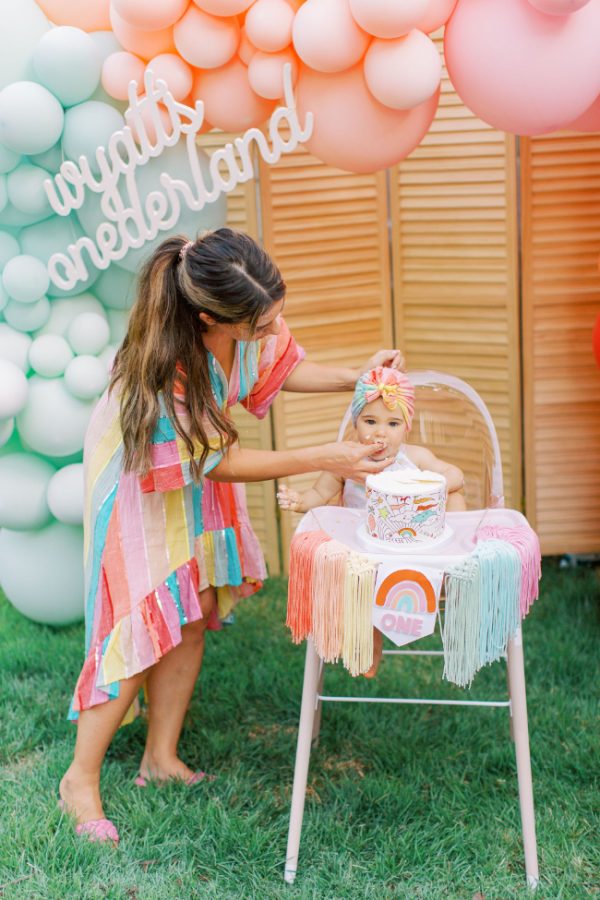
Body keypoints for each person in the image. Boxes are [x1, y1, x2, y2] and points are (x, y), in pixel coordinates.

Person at [59, 228, 404, 844]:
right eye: (261, 323)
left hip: (197, 461)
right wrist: (326, 455)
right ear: (209, 317)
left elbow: (286, 365)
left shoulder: (245, 319)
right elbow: (214, 463)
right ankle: (79, 779)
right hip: (138, 480)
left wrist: (358, 377)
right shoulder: (166, 368)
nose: (274, 330)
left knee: (192, 611)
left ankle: (159, 761)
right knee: (139, 623)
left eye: (275, 314)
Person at [277, 366, 466, 676]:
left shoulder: (414, 458)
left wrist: (429, 485)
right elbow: (320, 492)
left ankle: (454, 572)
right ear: (355, 424)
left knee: (456, 497)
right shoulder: (347, 462)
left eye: (392, 423)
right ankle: (370, 644)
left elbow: (455, 475)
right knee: (361, 592)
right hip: (364, 548)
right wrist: (301, 501)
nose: (380, 432)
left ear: (406, 427)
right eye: (370, 421)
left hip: (413, 547)